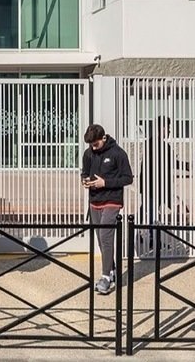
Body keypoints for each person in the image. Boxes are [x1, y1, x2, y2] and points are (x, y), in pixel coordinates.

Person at [80, 124, 133, 295]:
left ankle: (105, 278)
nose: (93, 148)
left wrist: (106, 183)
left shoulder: (118, 153)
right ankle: (111, 271)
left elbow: (128, 178)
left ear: (103, 138)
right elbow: (85, 172)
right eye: (91, 145)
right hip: (94, 200)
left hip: (112, 200)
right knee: (101, 240)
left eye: (95, 144)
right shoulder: (88, 153)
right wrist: (85, 180)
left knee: (106, 236)